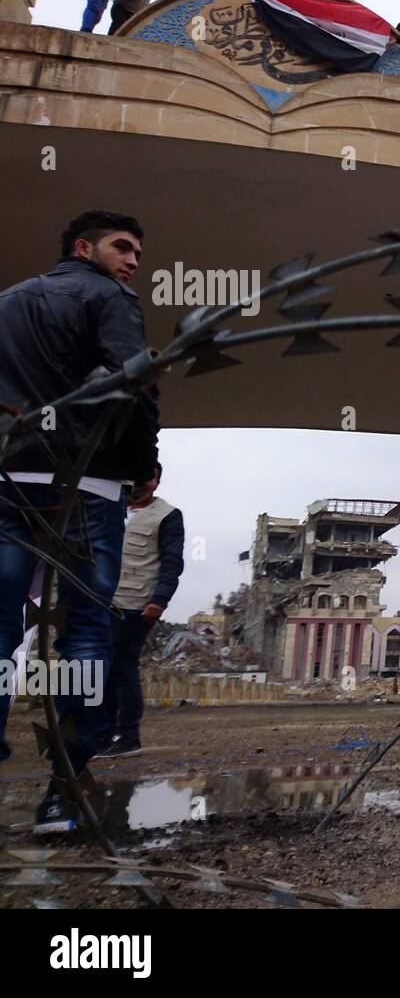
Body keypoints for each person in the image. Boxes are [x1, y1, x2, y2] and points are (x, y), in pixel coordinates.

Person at [0, 211, 161, 828]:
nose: (133, 262)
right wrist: (144, 464)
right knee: (86, 634)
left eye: (138, 255)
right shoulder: (109, 298)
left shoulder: (9, 302)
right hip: (86, 484)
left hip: (10, 482)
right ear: (82, 247)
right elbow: (136, 384)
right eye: (123, 248)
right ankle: (64, 790)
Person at [101, 464, 183, 757]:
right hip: (102, 601)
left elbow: (172, 562)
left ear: (157, 482)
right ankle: (105, 734)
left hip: (138, 604)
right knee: (104, 669)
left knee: (123, 667)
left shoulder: (168, 516)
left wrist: (158, 600)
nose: (141, 482)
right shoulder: (108, 506)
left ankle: (128, 737)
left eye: (148, 477)